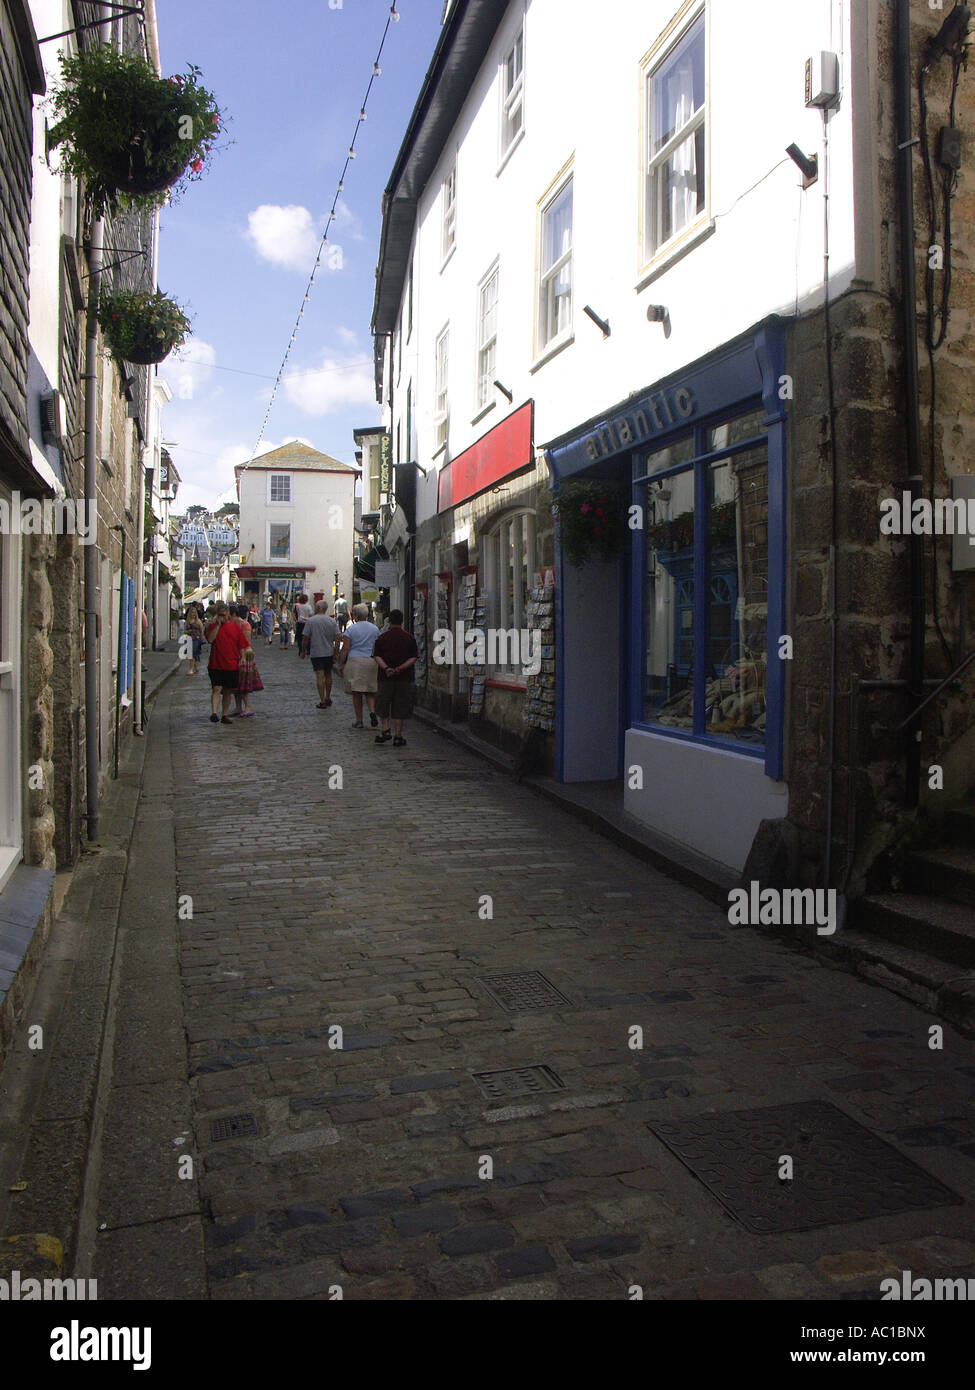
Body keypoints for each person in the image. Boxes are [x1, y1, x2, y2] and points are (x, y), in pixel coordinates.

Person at [373, 609, 419, 748]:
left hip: (385, 677)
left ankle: (385, 729)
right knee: (400, 706)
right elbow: (413, 657)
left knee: (383, 703)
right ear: (402, 621)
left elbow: (377, 656)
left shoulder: (382, 638)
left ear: (390, 621)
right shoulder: (409, 638)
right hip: (404, 678)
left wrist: (387, 668)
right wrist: (400, 668)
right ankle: (398, 735)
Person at [335, 603, 380, 728]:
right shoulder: (374, 629)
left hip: (355, 661)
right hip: (371, 661)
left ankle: (359, 720)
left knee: (357, 692)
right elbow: (377, 646)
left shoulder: (351, 629)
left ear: (355, 615)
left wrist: (340, 664)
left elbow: (345, 648)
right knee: (369, 691)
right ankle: (372, 711)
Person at [205, 602, 248, 724]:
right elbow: (210, 639)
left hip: (231, 664)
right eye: (220, 615)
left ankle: (224, 714)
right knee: (216, 688)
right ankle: (214, 713)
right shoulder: (212, 626)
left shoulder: (235, 628)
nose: (222, 617)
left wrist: (243, 657)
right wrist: (217, 626)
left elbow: (242, 645)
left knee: (228, 691)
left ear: (228, 614)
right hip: (215, 664)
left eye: (224, 614)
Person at [301, 599, 340, 708]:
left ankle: (322, 700)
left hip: (317, 652)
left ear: (318, 608)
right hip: (328, 652)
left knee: (319, 676)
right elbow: (337, 638)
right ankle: (328, 696)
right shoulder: (332, 621)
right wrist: (336, 652)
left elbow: (305, 638)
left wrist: (303, 651)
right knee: (328, 675)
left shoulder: (311, 621)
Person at [234, 603, 263, 716]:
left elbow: (246, 642)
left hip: (244, 654)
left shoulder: (243, 624)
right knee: (238, 683)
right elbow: (247, 642)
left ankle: (246, 706)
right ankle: (239, 707)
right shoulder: (244, 624)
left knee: (242, 682)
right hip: (244, 653)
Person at [185, 604, 204, 677]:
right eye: (192, 612)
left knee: (192, 653)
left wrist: (201, 639)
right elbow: (185, 631)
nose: (193, 614)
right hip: (189, 638)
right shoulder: (188, 621)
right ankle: (195, 667)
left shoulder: (198, 621)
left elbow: (201, 630)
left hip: (196, 639)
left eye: (194, 612)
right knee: (191, 654)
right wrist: (188, 631)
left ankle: (191, 669)